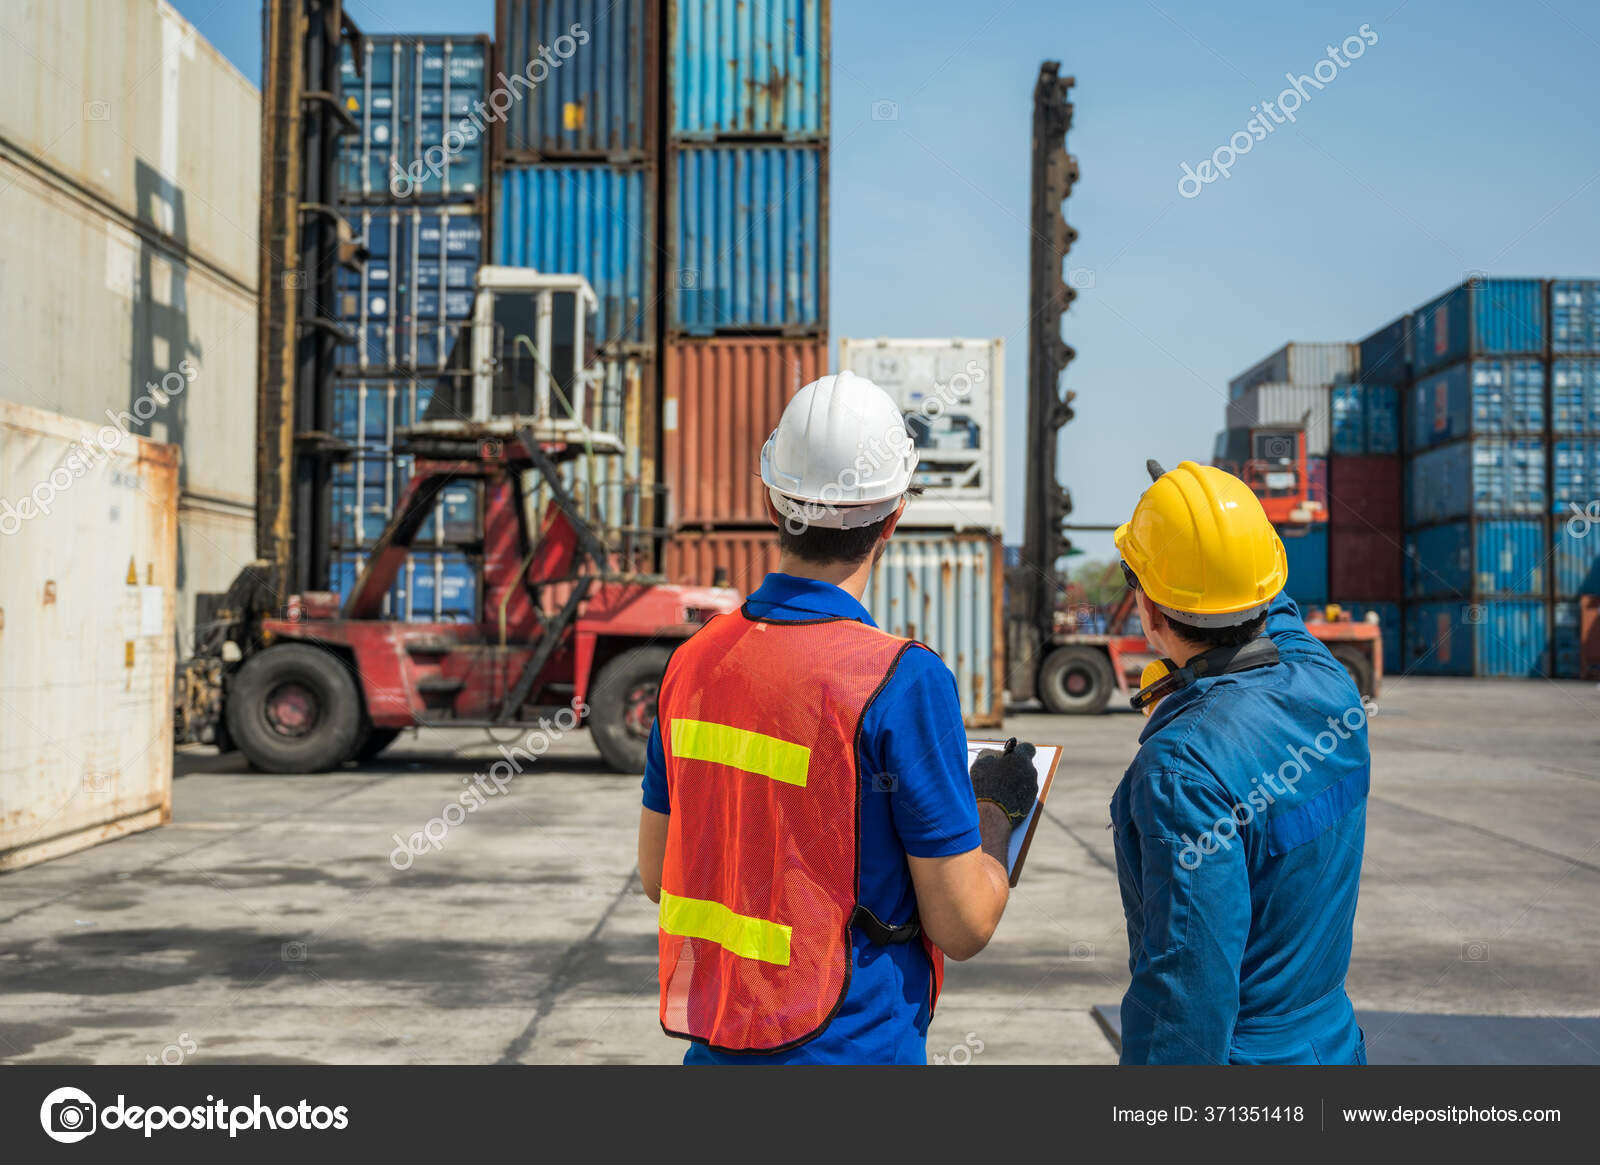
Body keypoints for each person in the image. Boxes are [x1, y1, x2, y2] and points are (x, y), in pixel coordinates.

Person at [636, 371, 1037, 1064]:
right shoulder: (902, 681)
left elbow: (658, 874)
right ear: (895, 515)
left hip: (718, 1048)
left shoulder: (693, 663)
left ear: (770, 502)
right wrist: (995, 814)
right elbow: (964, 923)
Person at [1110, 460, 1370, 1065]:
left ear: (1148, 606)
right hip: (1332, 1043)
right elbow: (1269, 611)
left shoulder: (1182, 770)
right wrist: (1212, 536)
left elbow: (1184, 998)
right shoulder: (1331, 685)